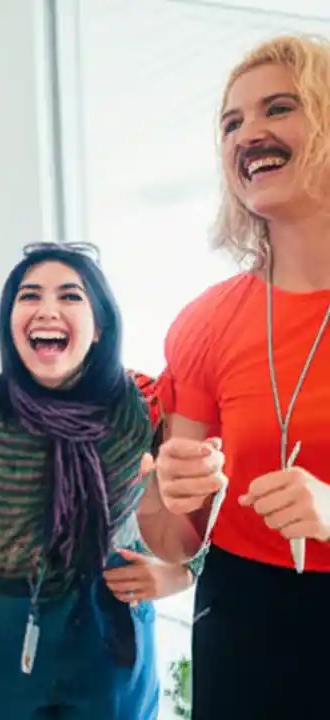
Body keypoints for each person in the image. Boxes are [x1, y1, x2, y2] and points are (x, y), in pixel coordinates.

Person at [0, 244, 222, 720]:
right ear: (9, 322)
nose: (47, 309)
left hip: (112, 613)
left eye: (71, 296)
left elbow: (226, 498)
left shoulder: (143, 407)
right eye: (29, 296)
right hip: (10, 625)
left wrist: (179, 573)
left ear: (101, 326)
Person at [155, 34, 330, 719]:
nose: (249, 132)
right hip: (242, 615)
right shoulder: (207, 322)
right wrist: (170, 490)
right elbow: (175, 540)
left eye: (278, 109)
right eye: (232, 122)